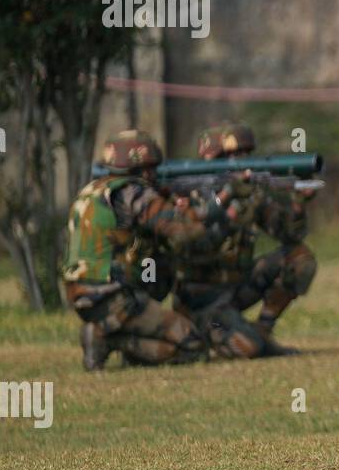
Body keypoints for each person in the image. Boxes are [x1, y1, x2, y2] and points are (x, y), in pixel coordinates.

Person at [62, 129, 243, 370]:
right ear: (142, 166)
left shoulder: (94, 190)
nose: (155, 175)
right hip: (113, 296)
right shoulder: (133, 192)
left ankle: (111, 334)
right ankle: (110, 340)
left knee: (158, 261)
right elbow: (184, 232)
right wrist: (224, 199)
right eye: (152, 169)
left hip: (81, 291)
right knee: (194, 345)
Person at [171, 122, 316, 358]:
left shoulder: (249, 194)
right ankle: (208, 338)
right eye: (235, 156)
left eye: (247, 155)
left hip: (235, 289)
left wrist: (298, 203)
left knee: (299, 259)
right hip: (201, 302)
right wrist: (226, 208)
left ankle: (263, 330)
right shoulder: (188, 196)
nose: (244, 164)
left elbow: (289, 235)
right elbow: (193, 245)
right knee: (249, 348)